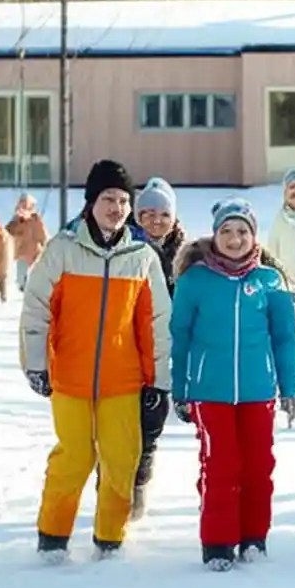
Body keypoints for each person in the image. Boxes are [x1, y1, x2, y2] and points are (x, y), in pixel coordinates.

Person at [19, 159, 172, 561]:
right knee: (75, 457)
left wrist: (159, 381)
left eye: (123, 200)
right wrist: (37, 364)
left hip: (123, 382)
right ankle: (53, 536)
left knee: (122, 460)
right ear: (91, 202)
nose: (116, 207)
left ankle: (110, 538)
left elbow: (157, 322)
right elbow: (36, 308)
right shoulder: (63, 251)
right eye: (109, 198)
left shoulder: (142, 256)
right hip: (70, 378)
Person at [170, 198, 295, 572]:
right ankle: (218, 542)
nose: (234, 238)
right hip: (209, 391)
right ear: (215, 235)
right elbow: (180, 335)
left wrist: (289, 386)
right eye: (226, 231)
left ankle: (254, 537)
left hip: (259, 391)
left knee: (259, 465)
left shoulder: (269, 281)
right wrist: (180, 388)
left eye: (242, 230)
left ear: (253, 235)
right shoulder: (195, 280)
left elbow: (284, 337)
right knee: (221, 465)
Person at [126, 176, 187, 522]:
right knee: (119, 426)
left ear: (173, 217)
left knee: (151, 424)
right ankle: (116, 485)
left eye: (162, 214)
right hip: (127, 349)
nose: (155, 221)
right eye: (146, 213)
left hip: (166, 351)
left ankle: (139, 484)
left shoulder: (188, 254)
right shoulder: (125, 248)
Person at [6, 193, 48, 292]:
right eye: (22, 205)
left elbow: (42, 233)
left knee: (37, 271)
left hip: (34, 251)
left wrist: (45, 243)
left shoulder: (36, 219)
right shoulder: (16, 220)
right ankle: (23, 285)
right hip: (22, 251)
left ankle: (34, 286)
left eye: (27, 206)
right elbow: (9, 232)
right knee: (22, 272)